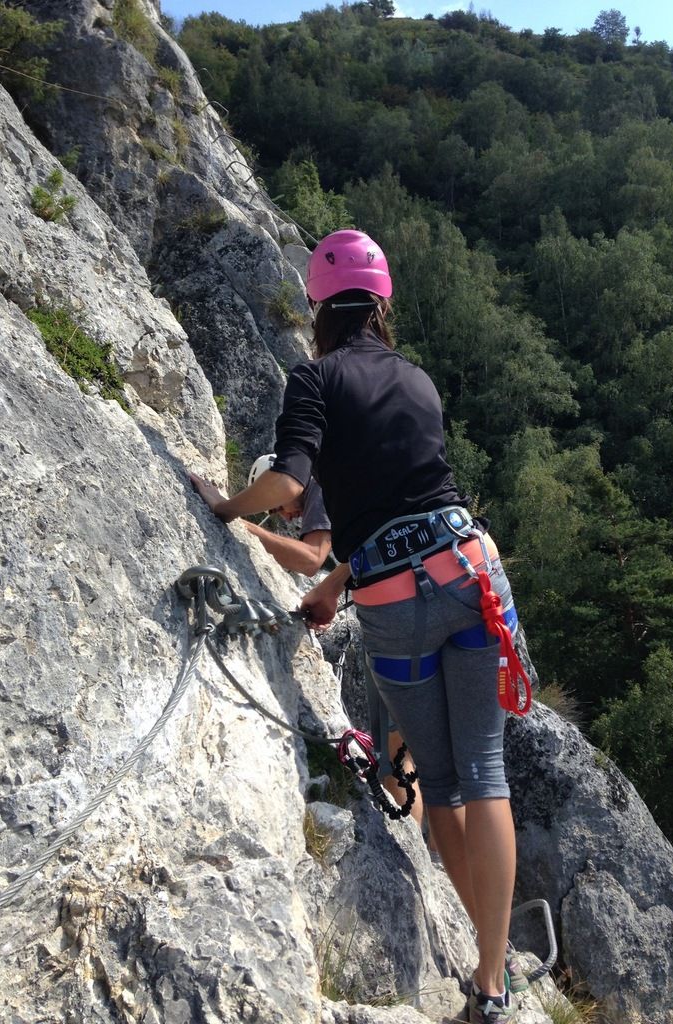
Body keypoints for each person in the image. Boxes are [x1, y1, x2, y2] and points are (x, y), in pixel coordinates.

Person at [190, 229, 529, 1022]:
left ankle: (488, 951)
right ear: (380, 305)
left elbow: (286, 483)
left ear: (319, 308)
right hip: (472, 576)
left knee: (440, 785)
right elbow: (418, 510)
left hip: (394, 608)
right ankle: (492, 980)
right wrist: (335, 578)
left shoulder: (314, 377)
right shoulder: (417, 380)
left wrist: (224, 509)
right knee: (486, 775)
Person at [197, 451, 425, 826]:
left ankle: (415, 853)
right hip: (428, 589)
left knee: (396, 754)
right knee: (411, 756)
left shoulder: (317, 482)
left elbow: (310, 558)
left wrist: (240, 523)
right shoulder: (348, 481)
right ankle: (426, 862)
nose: (285, 516)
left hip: (400, 612)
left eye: (277, 505)